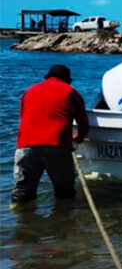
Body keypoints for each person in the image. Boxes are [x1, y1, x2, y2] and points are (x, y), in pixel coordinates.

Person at [13, 65, 89, 205]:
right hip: (56, 144)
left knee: (22, 192)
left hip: (25, 144)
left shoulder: (30, 91)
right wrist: (78, 138)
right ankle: (64, 221)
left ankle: (20, 222)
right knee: (64, 192)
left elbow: (23, 116)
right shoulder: (71, 92)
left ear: (47, 77)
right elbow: (83, 123)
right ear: (67, 79)